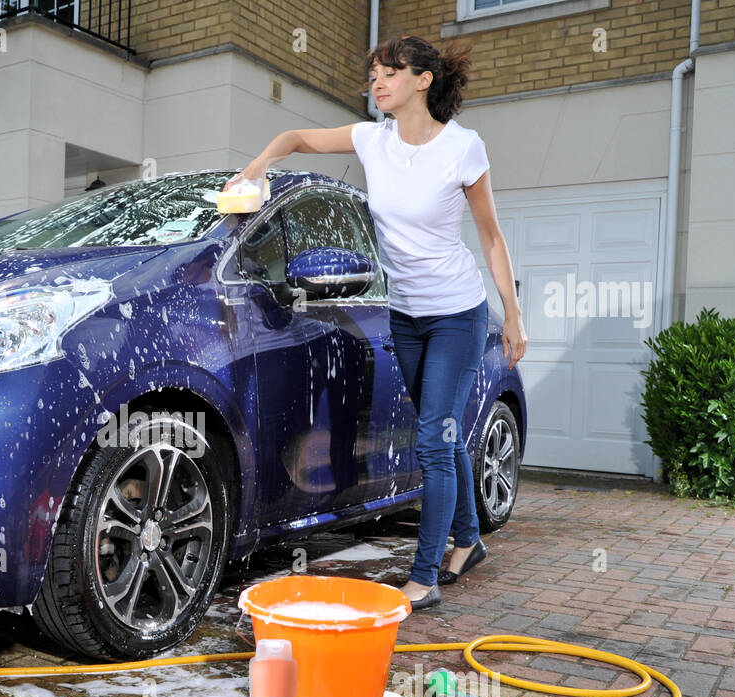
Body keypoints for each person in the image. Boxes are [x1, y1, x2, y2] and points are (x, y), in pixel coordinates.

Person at [226, 35, 528, 611]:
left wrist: (511, 313)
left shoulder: (463, 148)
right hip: (405, 315)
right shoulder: (371, 139)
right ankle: (468, 538)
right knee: (442, 432)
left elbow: (491, 235)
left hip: (457, 314)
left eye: (391, 72)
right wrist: (257, 167)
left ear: (423, 80)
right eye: (374, 73)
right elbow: (293, 137)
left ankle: (424, 576)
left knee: (434, 440)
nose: (378, 81)